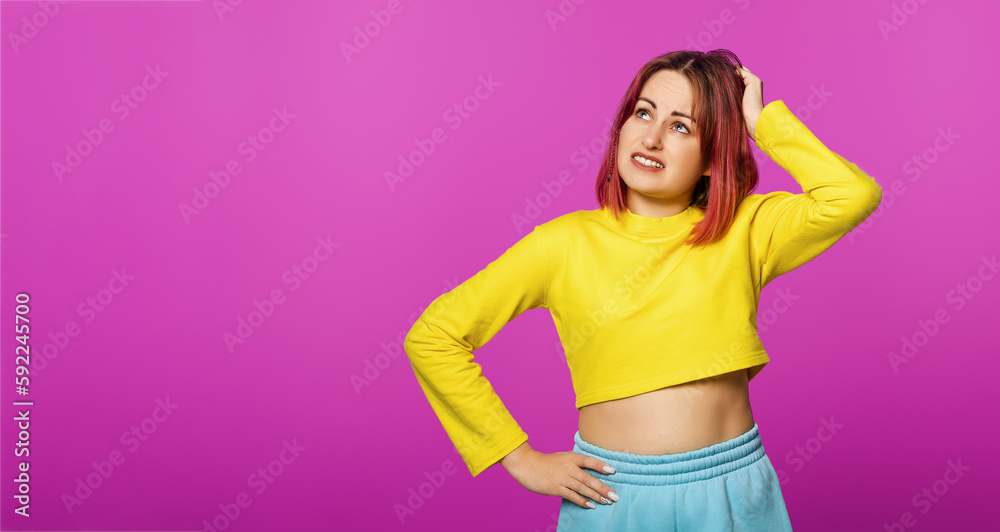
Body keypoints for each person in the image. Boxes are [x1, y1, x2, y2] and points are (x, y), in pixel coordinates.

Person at [404, 49, 882, 531]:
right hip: (613, 494)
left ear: (714, 157)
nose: (651, 138)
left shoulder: (749, 229)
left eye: (681, 127)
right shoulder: (562, 244)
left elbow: (852, 195)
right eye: (643, 112)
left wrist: (759, 121)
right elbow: (434, 336)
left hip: (734, 489)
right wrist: (519, 458)